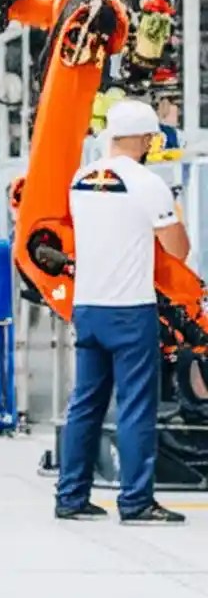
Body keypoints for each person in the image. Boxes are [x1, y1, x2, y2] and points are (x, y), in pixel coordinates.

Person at [56, 99, 190, 525]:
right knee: (135, 406)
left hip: (88, 308)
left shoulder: (80, 179)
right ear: (145, 138)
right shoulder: (147, 183)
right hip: (131, 310)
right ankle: (135, 502)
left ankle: (71, 496)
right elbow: (178, 249)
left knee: (85, 403)